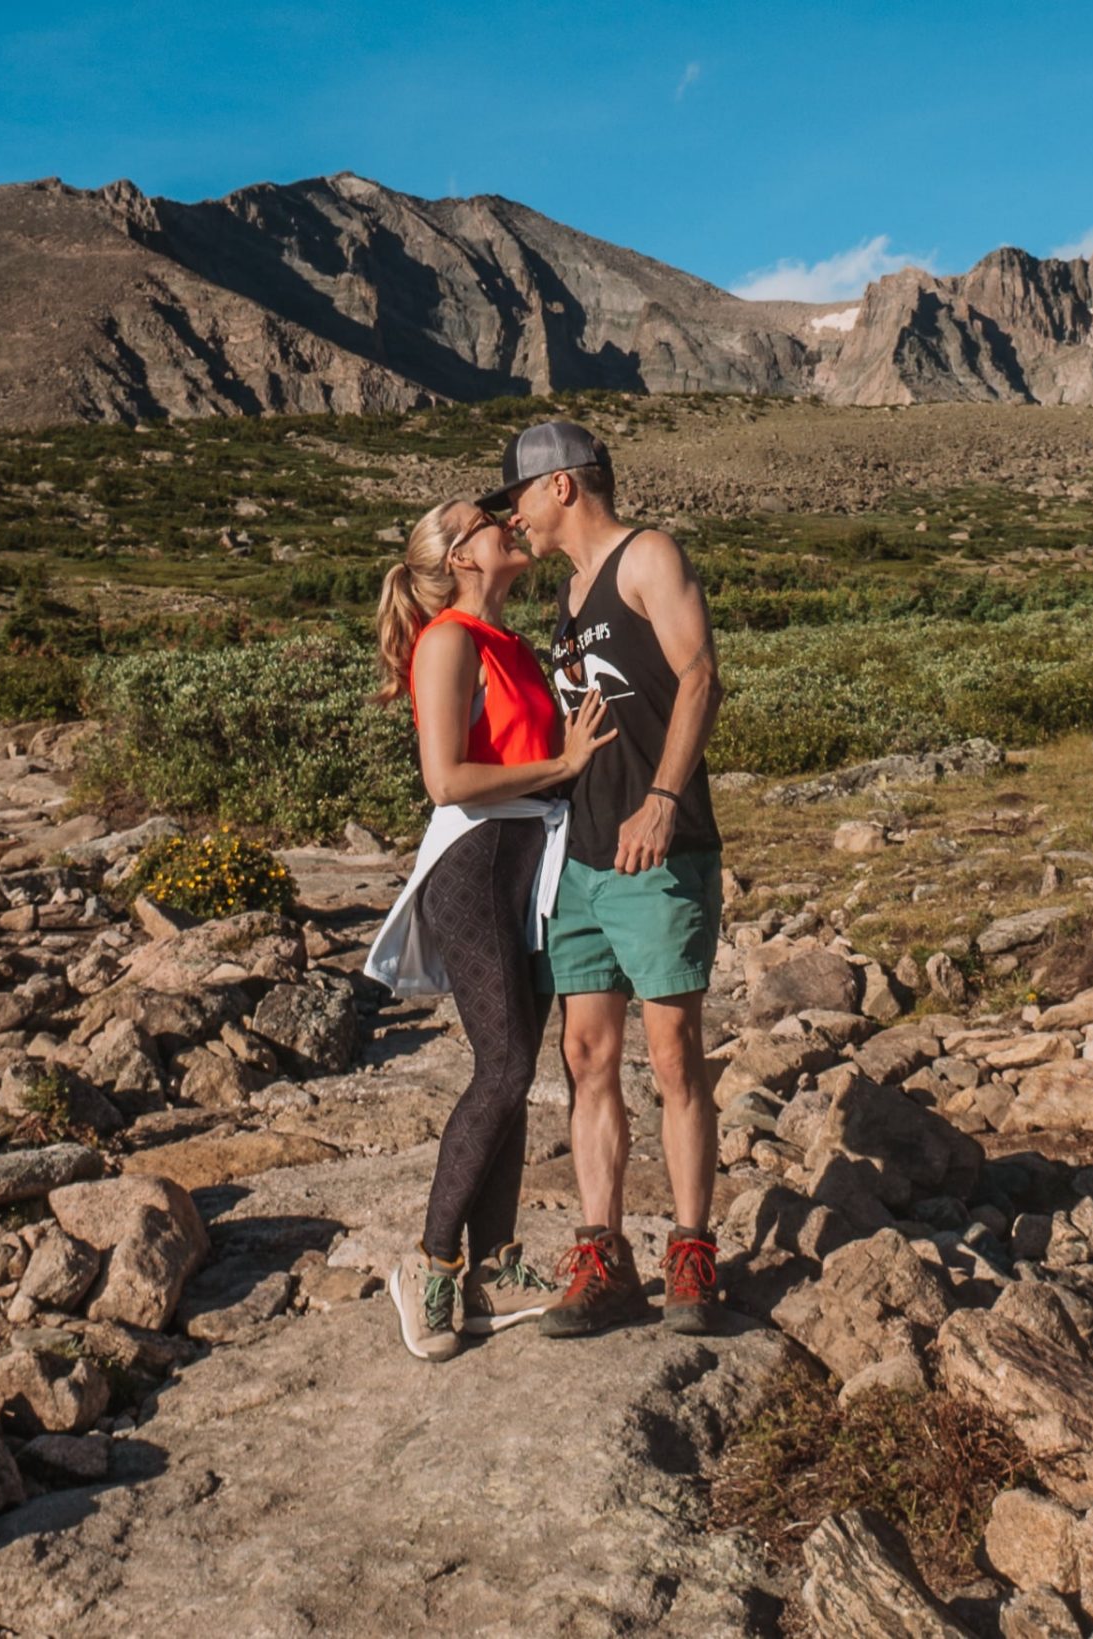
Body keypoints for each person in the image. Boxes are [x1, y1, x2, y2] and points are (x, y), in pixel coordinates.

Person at [478, 420, 727, 1336]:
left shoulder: (646, 557)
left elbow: (700, 675)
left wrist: (664, 796)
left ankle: (693, 1253)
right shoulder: (573, 591)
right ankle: (603, 1254)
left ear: (563, 488)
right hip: (581, 858)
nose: (516, 516)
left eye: (520, 498)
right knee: (585, 1056)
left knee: (672, 1056)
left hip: (660, 847)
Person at [366, 497, 615, 1362]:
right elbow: (445, 778)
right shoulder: (449, 641)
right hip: (472, 871)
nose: (508, 521)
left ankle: (494, 1265)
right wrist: (562, 765)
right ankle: (431, 1266)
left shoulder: (514, 642)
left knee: (511, 1067)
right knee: (505, 1063)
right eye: (484, 519)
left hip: (522, 874)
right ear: (459, 557)